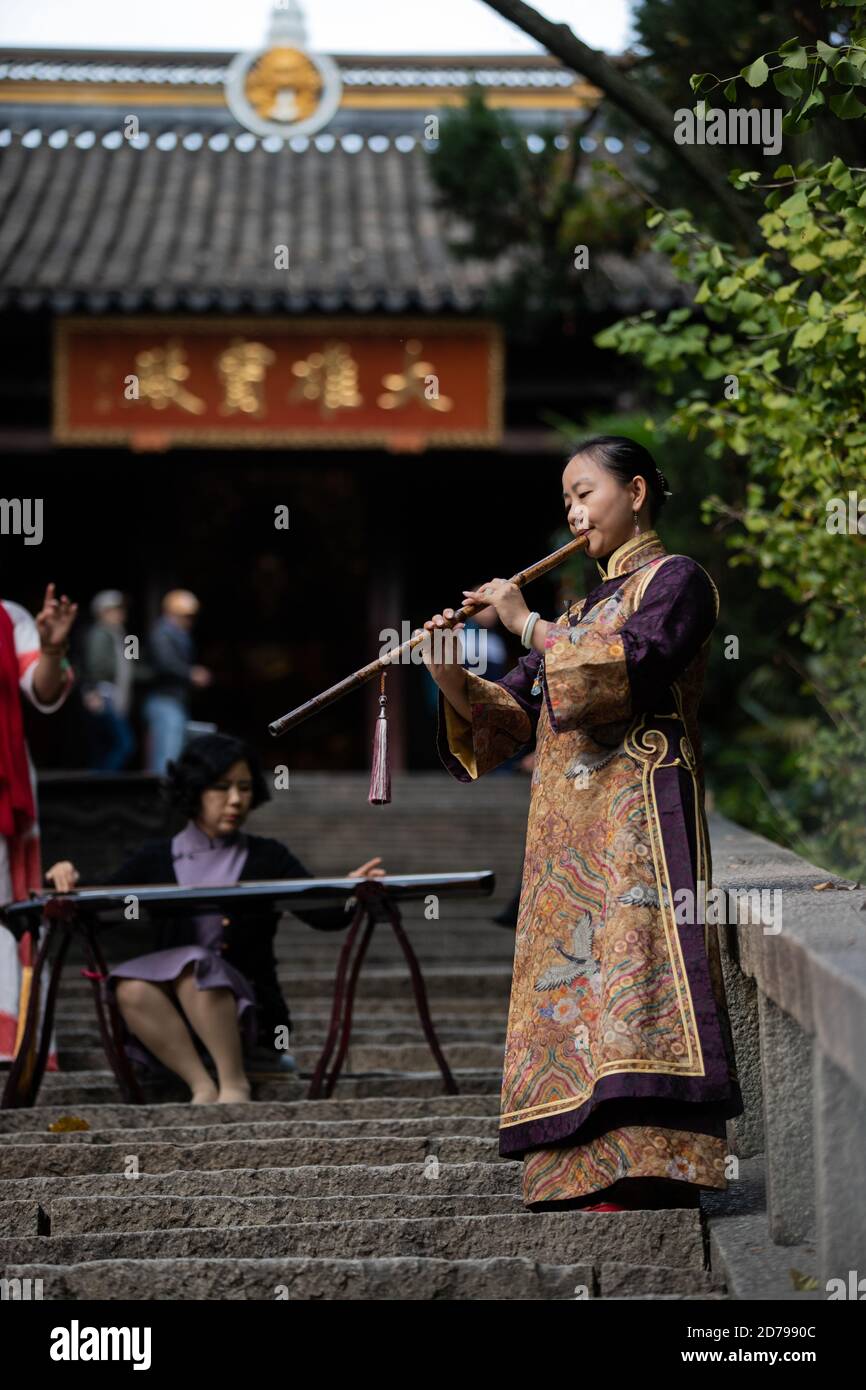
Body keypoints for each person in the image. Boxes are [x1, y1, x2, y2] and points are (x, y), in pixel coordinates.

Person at [423, 434, 744, 1211]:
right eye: (565, 498)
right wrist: (442, 668)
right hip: (569, 842)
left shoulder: (677, 582)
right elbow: (511, 713)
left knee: (636, 983)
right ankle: (577, 1171)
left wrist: (525, 623)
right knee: (574, 993)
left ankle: (651, 1171)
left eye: (584, 492)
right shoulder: (581, 607)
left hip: (640, 822)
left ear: (635, 493)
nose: (573, 510)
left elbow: (630, 668)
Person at [46, 732, 387, 1104]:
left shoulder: (267, 857)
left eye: (244, 787)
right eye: (221, 788)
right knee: (130, 986)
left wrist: (351, 891)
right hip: (180, 1026)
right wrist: (67, 880)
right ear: (193, 791)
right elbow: (98, 912)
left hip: (250, 1018)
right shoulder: (156, 858)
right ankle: (201, 1084)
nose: (236, 800)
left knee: (198, 970)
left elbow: (323, 915)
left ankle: (234, 1082)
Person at [0, 583, 76, 1072]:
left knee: (5, 913)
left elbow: (43, 690)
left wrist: (51, 648)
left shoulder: (8, 617)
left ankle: (11, 1043)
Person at [143, 590, 212, 774]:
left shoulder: (179, 634)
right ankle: (161, 799)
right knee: (166, 756)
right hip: (164, 700)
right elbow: (165, 663)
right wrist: (191, 673)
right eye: (184, 616)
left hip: (175, 700)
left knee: (174, 752)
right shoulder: (162, 633)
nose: (188, 621)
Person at [81, 590, 137, 771]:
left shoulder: (125, 636)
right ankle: (103, 782)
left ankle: (97, 785)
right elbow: (95, 667)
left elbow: (133, 665)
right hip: (104, 694)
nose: (121, 613)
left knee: (104, 746)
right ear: (103, 612)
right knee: (123, 743)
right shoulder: (100, 633)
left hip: (117, 696)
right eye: (116, 609)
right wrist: (91, 689)